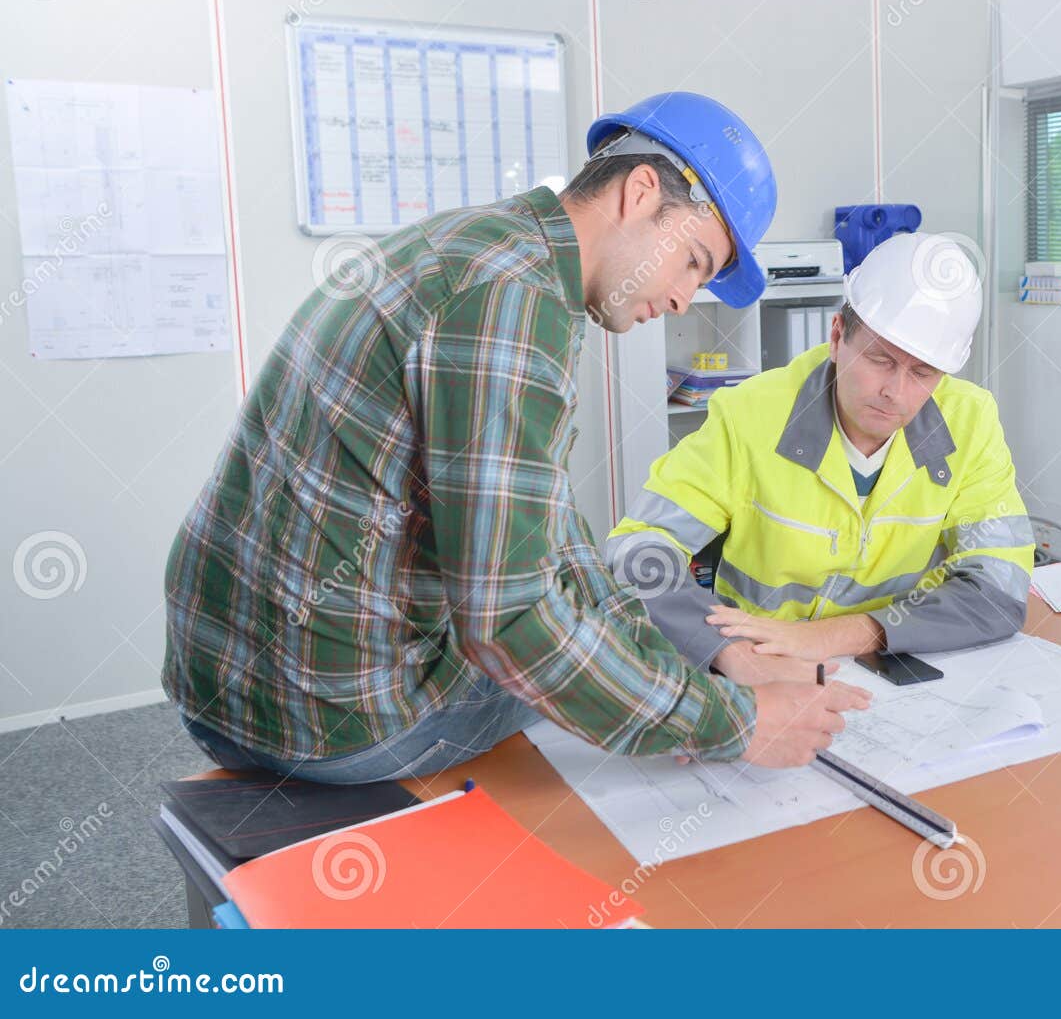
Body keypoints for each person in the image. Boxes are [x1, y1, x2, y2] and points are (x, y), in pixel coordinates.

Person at [162, 91, 870, 784]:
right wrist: (734, 722)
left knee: (612, 660)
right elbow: (510, 622)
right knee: (567, 680)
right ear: (641, 192)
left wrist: (705, 654)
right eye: (693, 261)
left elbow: (549, 533)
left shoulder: (496, 248)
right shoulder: (511, 304)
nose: (688, 298)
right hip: (320, 718)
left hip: (226, 672)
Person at [605, 231, 1034, 682]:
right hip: (761, 667)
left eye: (923, 372)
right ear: (836, 337)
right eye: (880, 359)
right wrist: (728, 653)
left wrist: (839, 635)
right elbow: (636, 550)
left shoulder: (972, 420)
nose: (896, 393)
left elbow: (999, 589)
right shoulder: (749, 414)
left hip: (894, 666)